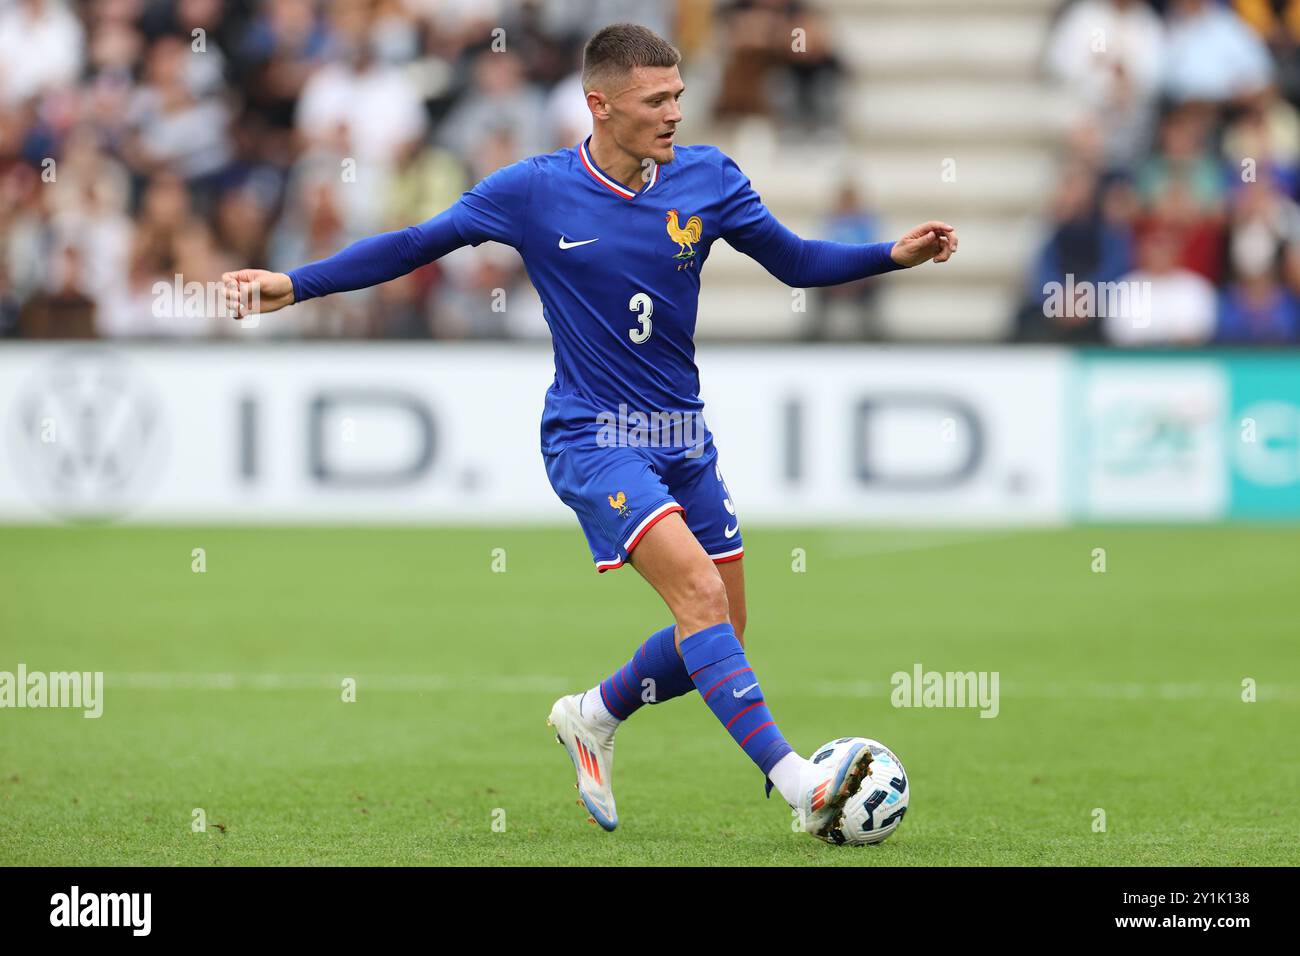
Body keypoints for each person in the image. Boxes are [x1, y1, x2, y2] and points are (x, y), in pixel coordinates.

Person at [222, 22, 958, 839]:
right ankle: (800, 785)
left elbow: (794, 262)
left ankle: (593, 714)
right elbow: (415, 243)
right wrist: (295, 283)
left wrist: (889, 255)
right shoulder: (534, 191)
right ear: (600, 106)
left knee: (720, 631)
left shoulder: (709, 179)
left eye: (679, 94)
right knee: (702, 597)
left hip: (684, 438)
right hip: (592, 435)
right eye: (657, 100)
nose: (676, 112)